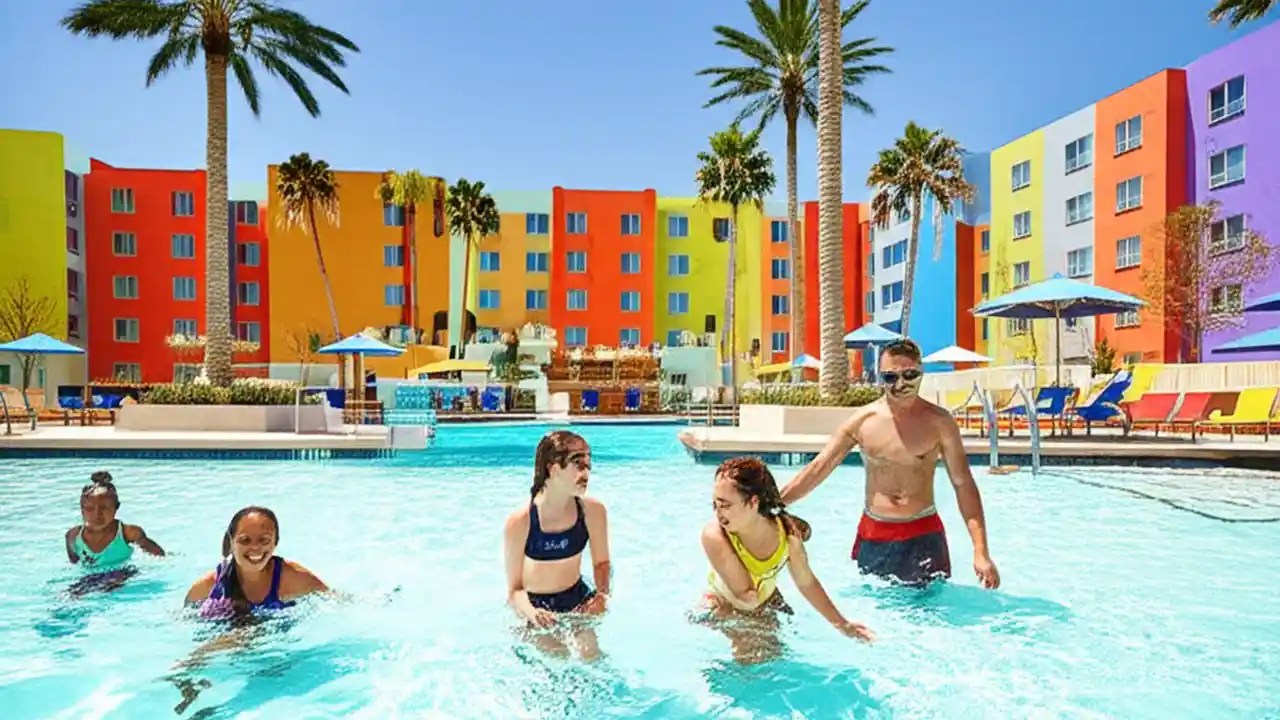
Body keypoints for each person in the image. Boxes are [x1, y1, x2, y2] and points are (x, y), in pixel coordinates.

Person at [780, 339, 1001, 589]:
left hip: (923, 536)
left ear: (920, 373)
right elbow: (818, 468)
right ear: (879, 377)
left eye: (909, 375)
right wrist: (774, 503)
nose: (900, 384)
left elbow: (963, 484)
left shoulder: (940, 423)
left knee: (930, 619)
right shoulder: (862, 421)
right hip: (874, 536)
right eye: (890, 377)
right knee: (877, 616)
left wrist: (980, 551)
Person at [701, 456, 873, 662]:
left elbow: (806, 581)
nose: (718, 513)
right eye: (715, 505)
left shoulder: (787, 536)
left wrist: (842, 623)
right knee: (751, 663)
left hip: (761, 599)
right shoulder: (715, 535)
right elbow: (747, 594)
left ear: (754, 502)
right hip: (725, 605)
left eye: (725, 505)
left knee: (776, 657)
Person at [503, 430, 610, 659]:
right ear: (553, 468)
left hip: (577, 600)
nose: (586, 473)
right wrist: (532, 613)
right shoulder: (521, 522)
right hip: (536, 606)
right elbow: (514, 592)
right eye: (577, 463)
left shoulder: (593, 512)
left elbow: (602, 563)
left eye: (589, 465)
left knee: (590, 654)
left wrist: (601, 595)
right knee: (557, 656)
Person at [184, 506, 328, 618]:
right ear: (232, 542)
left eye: (264, 540)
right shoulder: (208, 587)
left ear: (275, 542)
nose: (255, 548)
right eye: (245, 540)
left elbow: (335, 601)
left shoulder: (292, 577)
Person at [65, 471, 165, 569]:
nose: (98, 514)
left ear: (116, 508)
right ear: (82, 510)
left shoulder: (129, 533)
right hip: (92, 579)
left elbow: (160, 557)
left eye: (104, 508)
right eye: (90, 509)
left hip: (123, 575)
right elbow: (76, 567)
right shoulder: (73, 536)